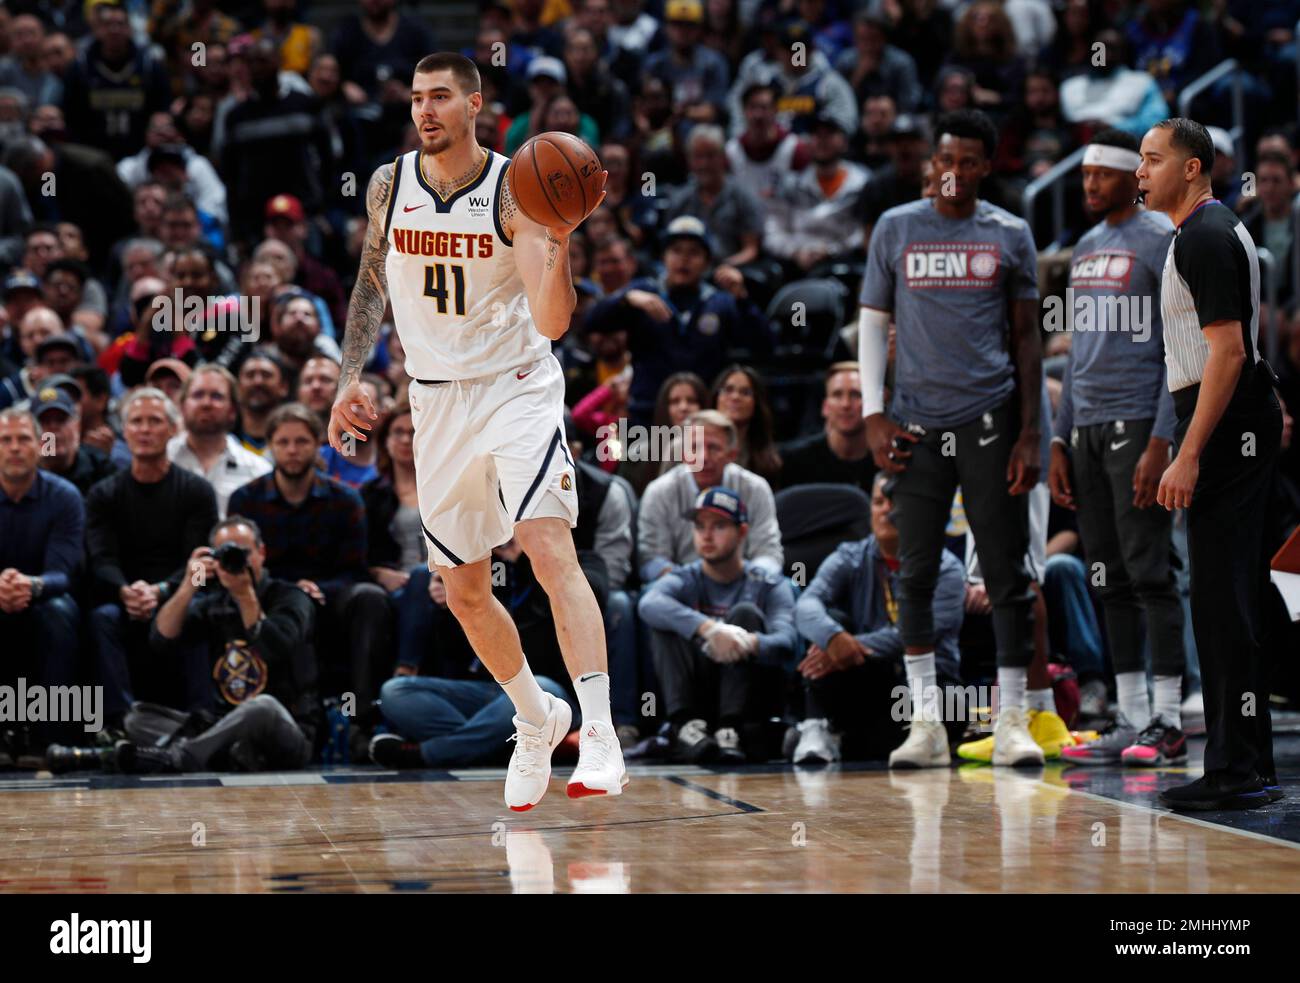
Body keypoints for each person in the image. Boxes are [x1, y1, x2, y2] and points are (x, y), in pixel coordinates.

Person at [328, 52, 625, 811]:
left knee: (547, 544)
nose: (425, 110)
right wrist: (349, 377)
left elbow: (554, 322)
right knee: (462, 591)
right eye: (416, 97)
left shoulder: (518, 191)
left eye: (440, 98)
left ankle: (597, 729)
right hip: (434, 402)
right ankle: (535, 715)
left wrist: (557, 240)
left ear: (474, 105)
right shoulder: (391, 184)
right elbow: (369, 281)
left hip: (516, 387)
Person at [859, 110, 1044, 768]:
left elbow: (1028, 339)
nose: (955, 173)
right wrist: (873, 414)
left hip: (991, 415)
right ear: (929, 162)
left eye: (969, 161)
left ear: (987, 167)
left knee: (1005, 571)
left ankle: (1015, 718)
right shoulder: (895, 226)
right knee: (913, 571)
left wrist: (1032, 434)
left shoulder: (1011, 233)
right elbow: (872, 319)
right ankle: (928, 725)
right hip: (913, 420)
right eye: (946, 159)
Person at [1137, 118, 1285, 810]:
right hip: (1234, 419)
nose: (1142, 171)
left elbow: (1228, 352)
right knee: (1233, 600)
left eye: (1153, 158)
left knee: (1223, 605)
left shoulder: (1202, 236)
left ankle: (1234, 769)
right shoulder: (1207, 231)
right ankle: (1248, 763)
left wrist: (1188, 452)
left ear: (1193, 168)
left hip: (1223, 428)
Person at [1047, 129, 1188, 767]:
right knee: (1108, 577)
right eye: (1083, 178)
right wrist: (1058, 434)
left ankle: (1167, 716)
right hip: (1087, 427)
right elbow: (1076, 351)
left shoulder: (1163, 241)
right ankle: (1130, 716)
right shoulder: (1083, 246)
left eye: (1100, 176)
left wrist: (1163, 437)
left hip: (1139, 420)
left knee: (1150, 571)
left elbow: (1179, 352)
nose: (1089, 187)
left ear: (1132, 176)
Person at [85, 516, 320, 775]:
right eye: (226, 555)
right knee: (138, 718)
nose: (236, 561)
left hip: (286, 726)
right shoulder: (215, 603)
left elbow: (274, 647)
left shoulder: (292, 597)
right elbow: (162, 639)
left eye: (244, 553)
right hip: (220, 725)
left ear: (262, 552)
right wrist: (189, 584)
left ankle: (179, 757)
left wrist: (245, 596)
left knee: (261, 707)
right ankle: (227, 755)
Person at [228, 403, 391, 710]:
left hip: (329, 595)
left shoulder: (345, 500)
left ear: (317, 444)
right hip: (270, 598)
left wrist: (317, 590)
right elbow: (243, 567)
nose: (292, 450)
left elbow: (355, 569)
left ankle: (362, 715)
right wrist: (289, 592)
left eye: (301, 441)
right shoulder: (245, 500)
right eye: (283, 442)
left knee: (369, 597)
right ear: (271, 447)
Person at [792, 472, 965, 763]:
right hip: (869, 677)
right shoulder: (851, 556)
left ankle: (846, 737)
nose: (885, 509)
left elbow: (917, 634)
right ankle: (817, 728)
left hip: (927, 686)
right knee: (830, 622)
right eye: (878, 501)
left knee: (955, 702)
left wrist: (848, 646)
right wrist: (834, 639)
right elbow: (805, 605)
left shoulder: (947, 568)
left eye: (894, 500)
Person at [86, 387, 219, 732]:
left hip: (180, 592)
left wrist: (160, 591)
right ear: (124, 431)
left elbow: (200, 563)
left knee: (195, 609)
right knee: (103, 617)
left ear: (173, 429)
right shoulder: (104, 493)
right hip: (125, 596)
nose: (145, 429)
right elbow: (101, 559)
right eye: (136, 421)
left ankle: (203, 721)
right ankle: (119, 725)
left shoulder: (196, 491)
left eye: (154, 421)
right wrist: (125, 591)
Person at [638, 486, 797, 762]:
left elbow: (788, 641)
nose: (707, 536)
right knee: (665, 619)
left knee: (745, 613)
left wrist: (748, 642)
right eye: (700, 527)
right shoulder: (685, 577)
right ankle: (684, 724)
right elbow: (648, 603)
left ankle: (730, 728)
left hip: (749, 701)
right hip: (699, 693)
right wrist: (711, 630)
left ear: (743, 532)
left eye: (719, 526)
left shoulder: (768, 584)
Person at [0, 407, 83, 755]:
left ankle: (54, 739)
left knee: (58, 611)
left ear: (40, 446)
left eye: (24, 439)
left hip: (43, 595)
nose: (15, 447)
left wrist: (28, 586)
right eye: (5, 440)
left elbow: (62, 573)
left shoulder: (65, 496)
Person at [637, 409, 783, 580]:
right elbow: (652, 560)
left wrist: (748, 583)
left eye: (713, 448)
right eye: (694, 447)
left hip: (745, 586)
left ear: (732, 455)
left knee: (787, 589)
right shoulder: (659, 492)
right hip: (680, 587)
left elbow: (769, 554)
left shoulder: (755, 488)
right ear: (683, 454)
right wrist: (694, 586)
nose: (703, 457)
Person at [167, 365, 272, 518]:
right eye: (197, 395)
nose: (206, 403)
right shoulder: (162, 459)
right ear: (182, 407)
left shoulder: (258, 471)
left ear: (233, 411)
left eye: (216, 396)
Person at [779, 361, 877, 492]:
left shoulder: (887, 462)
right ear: (825, 407)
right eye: (837, 395)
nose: (845, 404)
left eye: (855, 395)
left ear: (873, 403)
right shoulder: (791, 461)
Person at [33, 383, 119, 496]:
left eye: (61, 420)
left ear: (77, 425)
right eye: (45, 422)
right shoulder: (23, 474)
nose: (53, 429)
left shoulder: (100, 468)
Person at [711, 364, 781, 486]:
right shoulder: (687, 448)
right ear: (716, 397)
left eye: (745, 392)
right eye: (728, 390)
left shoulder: (771, 461)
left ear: (756, 403)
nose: (735, 397)